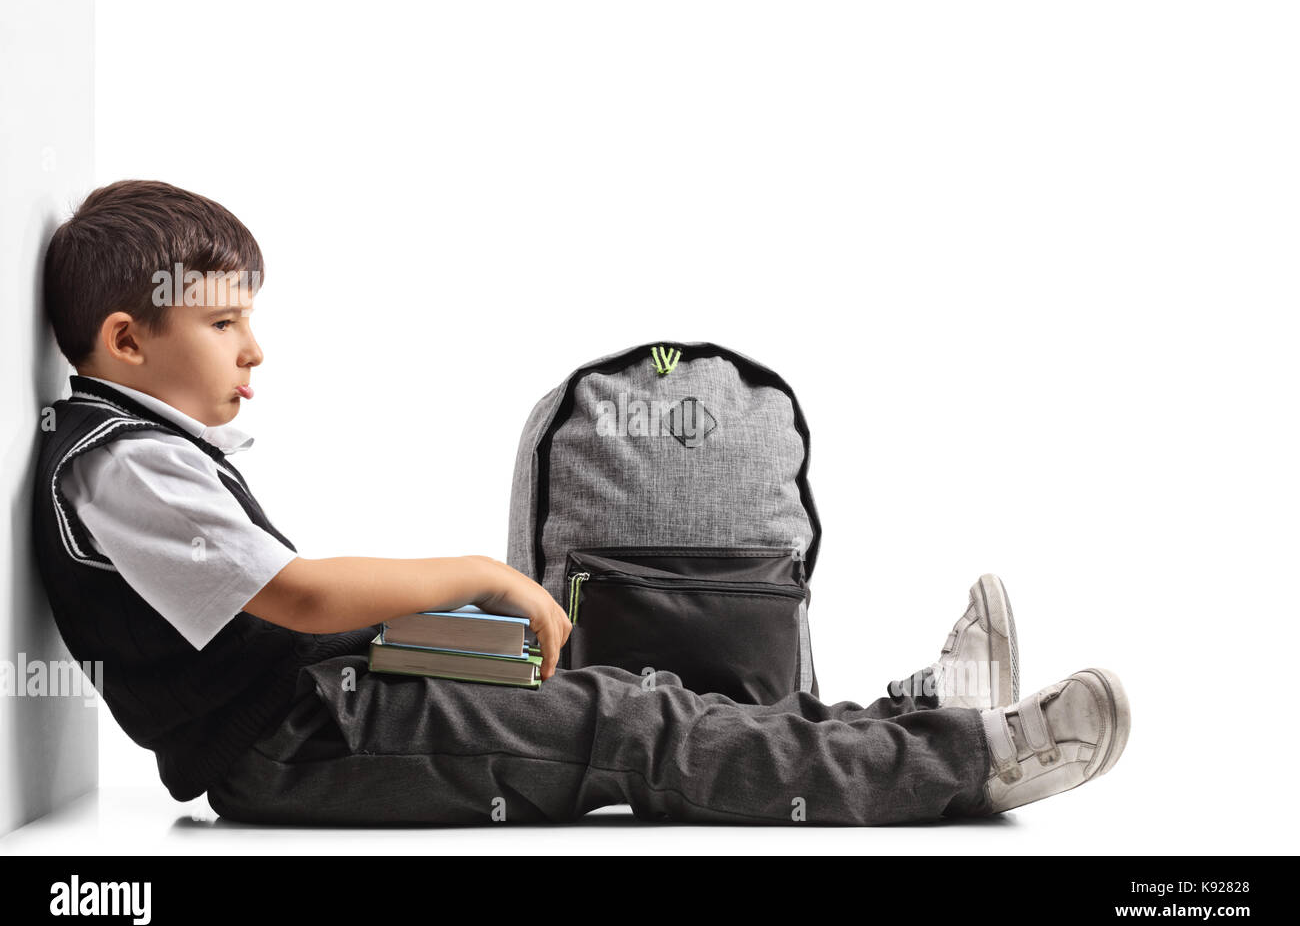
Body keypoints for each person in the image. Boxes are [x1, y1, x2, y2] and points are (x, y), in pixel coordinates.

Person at [33, 179, 1130, 826]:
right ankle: (971, 760)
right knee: (632, 723)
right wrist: (483, 571)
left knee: (621, 685)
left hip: (321, 705)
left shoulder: (136, 445)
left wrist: (455, 623)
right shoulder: (119, 462)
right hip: (298, 744)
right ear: (129, 339)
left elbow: (289, 605)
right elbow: (298, 590)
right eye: (224, 324)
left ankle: (919, 718)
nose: (255, 348)